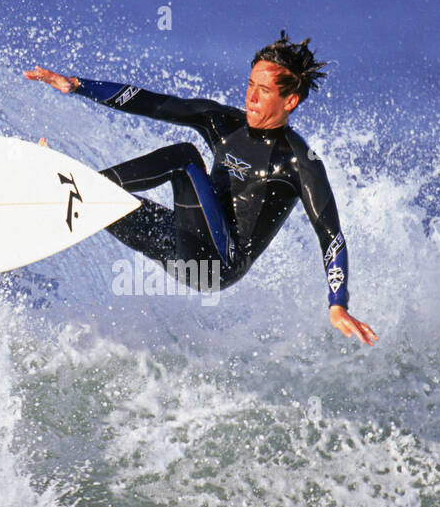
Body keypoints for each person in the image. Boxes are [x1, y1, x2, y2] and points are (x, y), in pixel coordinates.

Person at [24, 30, 376, 346]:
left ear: (289, 102)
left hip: (217, 265)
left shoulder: (299, 161)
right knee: (115, 204)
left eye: (264, 91)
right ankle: (71, 197)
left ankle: (81, 185)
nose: (251, 97)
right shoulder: (223, 122)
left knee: (183, 157)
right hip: (178, 244)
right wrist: (77, 84)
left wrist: (337, 304)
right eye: (251, 84)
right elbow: (153, 102)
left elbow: (331, 236)